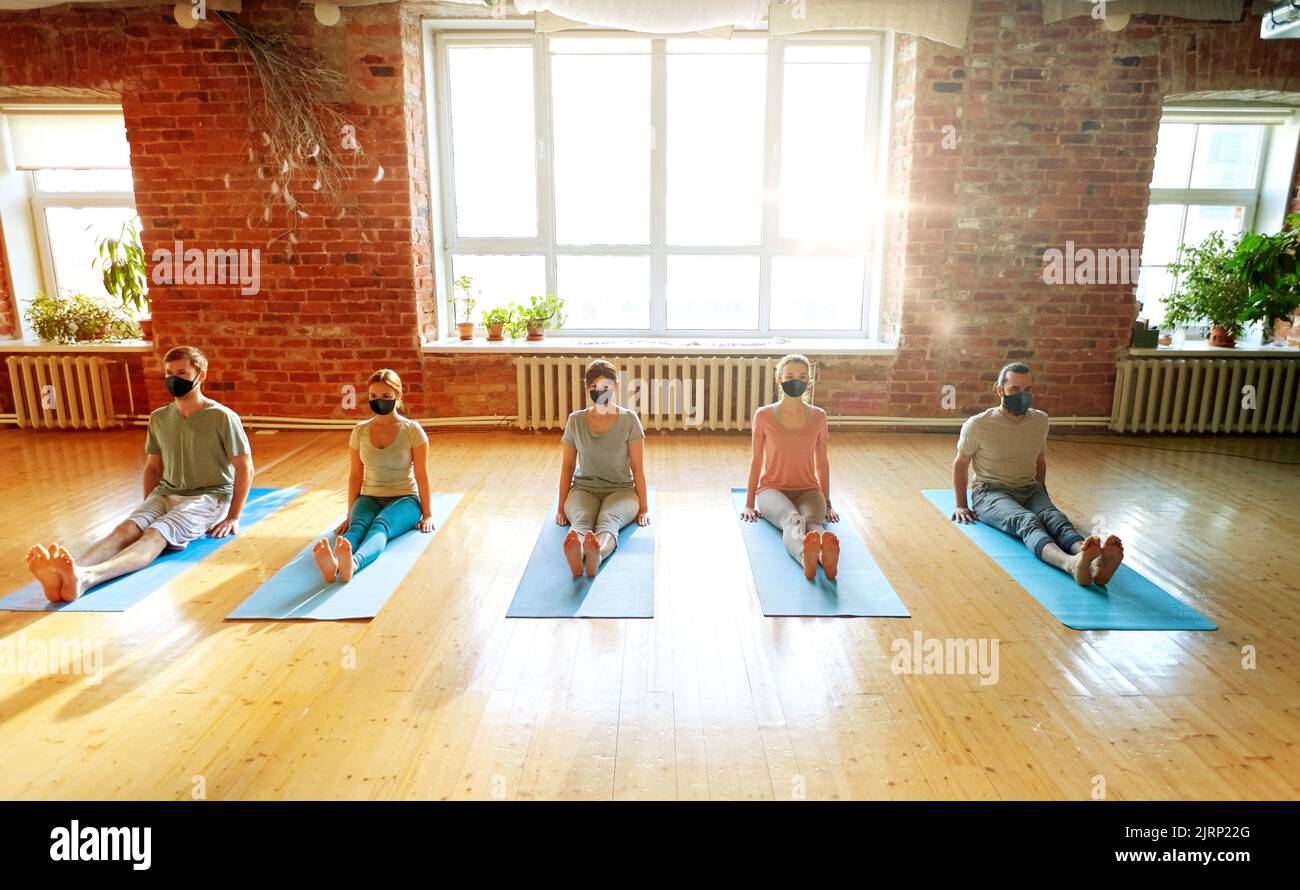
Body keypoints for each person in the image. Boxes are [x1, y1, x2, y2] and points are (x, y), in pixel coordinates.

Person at [25, 345, 253, 602]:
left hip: (208, 497)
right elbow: (153, 467)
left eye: (182, 372)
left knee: (156, 534)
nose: (173, 378)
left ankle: (87, 578)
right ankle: (69, 572)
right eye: (168, 372)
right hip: (166, 492)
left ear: (200, 375)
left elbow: (245, 467)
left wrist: (233, 516)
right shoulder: (159, 418)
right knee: (126, 528)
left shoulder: (222, 417)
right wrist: (148, 507)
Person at [950, 361, 1125, 586]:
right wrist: (961, 505)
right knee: (1027, 520)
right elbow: (960, 463)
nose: (1022, 395)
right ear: (1000, 390)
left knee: (1055, 518)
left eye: (1028, 390)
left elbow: (1040, 462)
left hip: (1029, 488)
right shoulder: (978, 424)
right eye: (1015, 390)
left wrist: (1042, 497)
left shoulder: (1040, 421)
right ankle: (1069, 564)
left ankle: (1094, 564)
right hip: (990, 492)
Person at [313, 369, 436, 583]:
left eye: (386, 396)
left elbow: (422, 475)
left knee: (381, 526)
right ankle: (334, 563)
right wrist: (350, 514)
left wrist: (427, 514)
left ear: (397, 395)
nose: (379, 401)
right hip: (369, 497)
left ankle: (353, 563)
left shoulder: (412, 431)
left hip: (405, 498)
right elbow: (355, 476)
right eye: (373, 396)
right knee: (357, 527)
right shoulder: (359, 431)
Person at [741, 354, 840, 581]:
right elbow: (756, 461)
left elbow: (822, 463)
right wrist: (748, 504)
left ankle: (826, 558)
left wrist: (828, 503)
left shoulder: (818, 417)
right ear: (779, 379)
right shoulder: (764, 415)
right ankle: (806, 557)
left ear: (809, 381)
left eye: (802, 377)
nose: (796, 380)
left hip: (808, 490)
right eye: (790, 376)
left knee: (814, 521)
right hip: (772, 490)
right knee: (793, 519)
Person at [555, 359, 650, 578]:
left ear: (615, 386)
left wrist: (644, 507)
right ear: (587, 389)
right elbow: (567, 468)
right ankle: (577, 553)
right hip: (583, 490)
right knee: (582, 520)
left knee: (609, 520)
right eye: (594, 389)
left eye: (605, 388)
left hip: (621, 491)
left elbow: (637, 468)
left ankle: (597, 554)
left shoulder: (629, 419)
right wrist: (561, 507)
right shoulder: (575, 420)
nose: (600, 393)